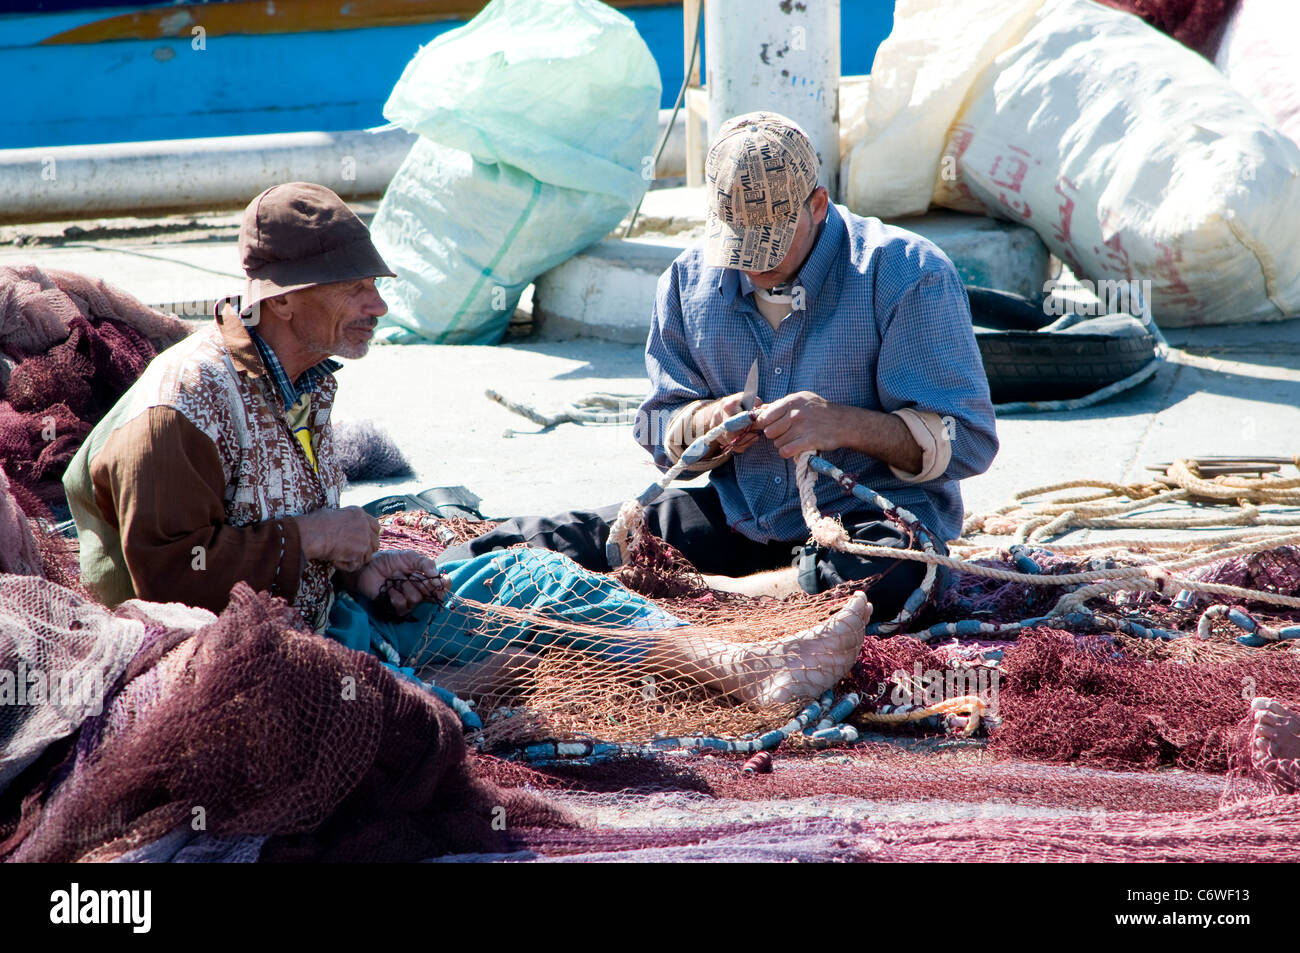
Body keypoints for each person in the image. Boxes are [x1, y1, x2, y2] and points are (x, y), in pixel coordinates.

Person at [62, 182, 867, 707]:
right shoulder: (184, 406)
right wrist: (311, 539)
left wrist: (367, 570)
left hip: (330, 615)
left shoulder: (302, 376)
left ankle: (742, 668)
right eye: (356, 287)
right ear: (288, 300)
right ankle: (735, 674)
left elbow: (292, 534)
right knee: (501, 676)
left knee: (532, 573)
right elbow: (171, 578)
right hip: (243, 673)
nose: (379, 304)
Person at [442, 112, 999, 618]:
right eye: (739, 246)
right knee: (580, 538)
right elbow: (657, 429)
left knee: (906, 572)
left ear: (818, 206)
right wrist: (705, 424)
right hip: (740, 518)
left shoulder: (906, 274)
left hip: (861, 526)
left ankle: (701, 597)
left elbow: (967, 440)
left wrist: (843, 425)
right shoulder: (687, 283)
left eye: (771, 246)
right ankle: (444, 573)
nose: (753, 266)